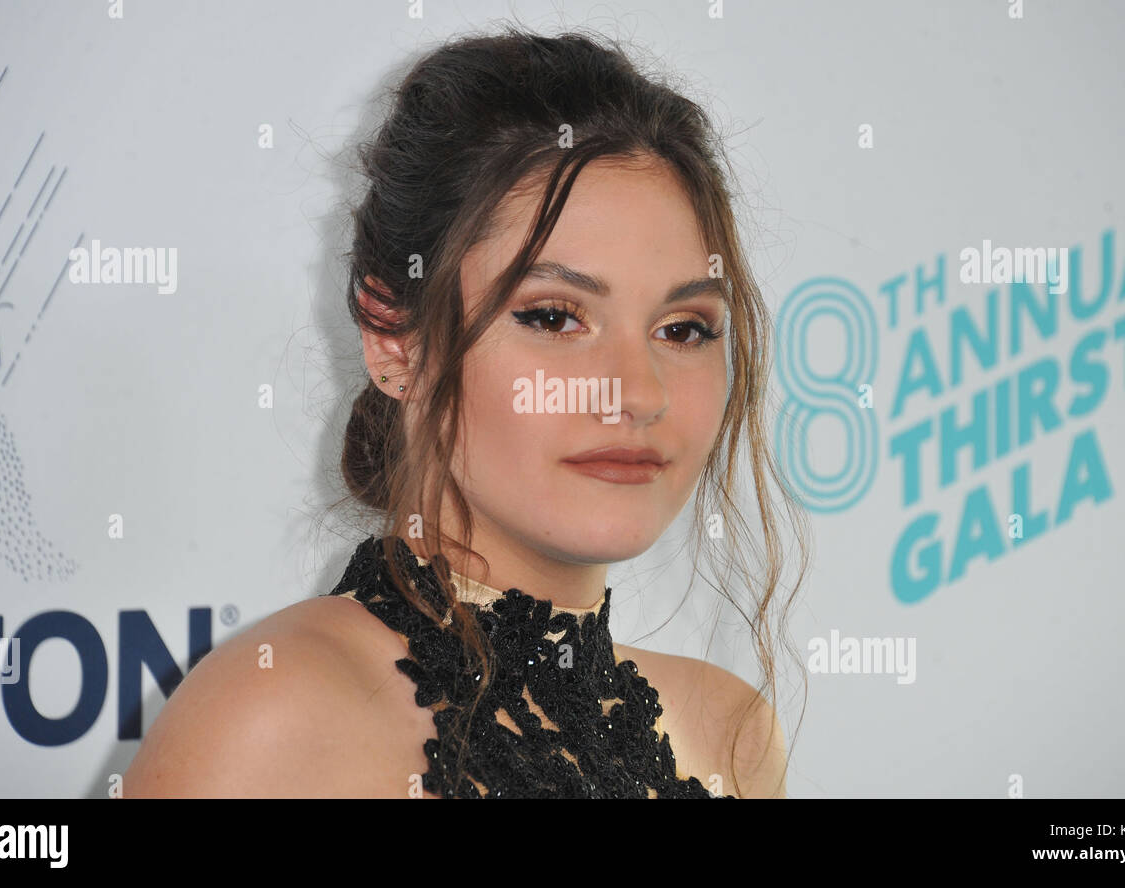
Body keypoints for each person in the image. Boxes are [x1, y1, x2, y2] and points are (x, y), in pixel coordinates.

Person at [125, 26, 810, 799]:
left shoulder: (732, 733)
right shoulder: (273, 721)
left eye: (683, 330)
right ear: (394, 340)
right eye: (554, 317)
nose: (638, 394)